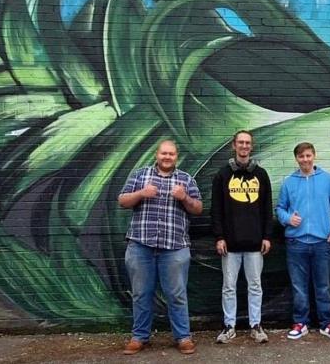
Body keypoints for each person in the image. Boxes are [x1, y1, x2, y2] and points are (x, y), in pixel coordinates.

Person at [117, 140, 203, 355]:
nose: (167, 157)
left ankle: (183, 337)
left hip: (175, 247)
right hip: (141, 245)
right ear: (157, 155)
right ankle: (139, 337)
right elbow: (122, 200)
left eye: (171, 154)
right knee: (141, 294)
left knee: (177, 295)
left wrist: (184, 198)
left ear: (177, 156)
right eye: (164, 153)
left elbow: (198, 208)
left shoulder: (186, 179)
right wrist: (141, 194)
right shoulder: (139, 175)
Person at [276, 141, 330, 340]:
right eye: (301, 156)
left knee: (323, 286)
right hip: (296, 243)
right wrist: (288, 219)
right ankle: (300, 323)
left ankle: (326, 323)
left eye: (308, 155)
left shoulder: (327, 180)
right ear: (296, 159)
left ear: (314, 156)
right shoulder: (289, 182)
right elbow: (279, 208)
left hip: (322, 243)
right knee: (299, 287)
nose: (305, 159)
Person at [211, 129, 273, 344]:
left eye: (247, 143)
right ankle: (230, 326)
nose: (244, 146)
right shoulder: (222, 174)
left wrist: (267, 236)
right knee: (229, 286)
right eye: (241, 142)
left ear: (251, 146)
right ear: (234, 145)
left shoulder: (261, 174)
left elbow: (267, 208)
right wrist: (219, 236)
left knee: (255, 285)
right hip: (230, 244)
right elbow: (216, 209)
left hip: (255, 243)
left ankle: (256, 325)